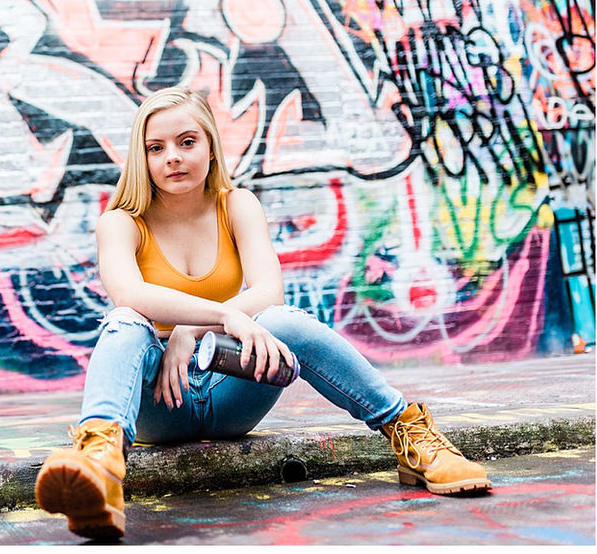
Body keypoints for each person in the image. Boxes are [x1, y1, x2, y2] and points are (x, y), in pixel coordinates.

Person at [33, 86, 491, 540]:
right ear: (142, 157)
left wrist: (190, 330)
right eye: (156, 148)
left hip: (230, 385)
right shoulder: (120, 222)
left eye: (187, 142)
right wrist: (220, 317)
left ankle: (409, 434)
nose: (172, 156)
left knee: (281, 320)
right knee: (125, 323)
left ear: (211, 148)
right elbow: (129, 294)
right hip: (159, 402)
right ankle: (99, 464)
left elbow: (269, 289)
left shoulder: (237, 204)